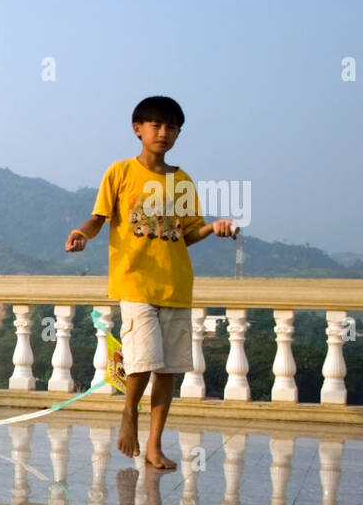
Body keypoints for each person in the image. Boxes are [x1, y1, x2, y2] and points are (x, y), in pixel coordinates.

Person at [65, 96, 237, 469]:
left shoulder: (182, 181)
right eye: (156, 125)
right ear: (137, 129)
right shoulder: (120, 173)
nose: (164, 133)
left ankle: (155, 445)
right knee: (142, 359)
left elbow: (186, 235)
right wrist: (82, 233)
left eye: (171, 127)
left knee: (168, 369)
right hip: (135, 282)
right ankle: (129, 414)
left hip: (175, 284)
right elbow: (99, 218)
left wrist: (214, 227)